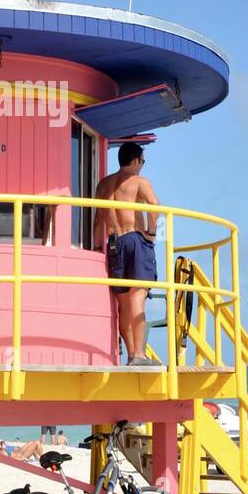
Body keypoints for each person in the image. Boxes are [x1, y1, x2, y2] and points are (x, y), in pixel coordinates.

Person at [94, 143, 162, 366]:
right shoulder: (138, 181)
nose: (142, 166)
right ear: (135, 161)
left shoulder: (102, 185)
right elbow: (154, 204)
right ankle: (139, 355)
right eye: (142, 161)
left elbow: (97, 220)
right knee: (137, 298)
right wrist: (151, 233)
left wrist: (97, 249)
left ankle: (133, 353)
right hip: (135, 239)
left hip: (113, 242)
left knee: (123, 303)